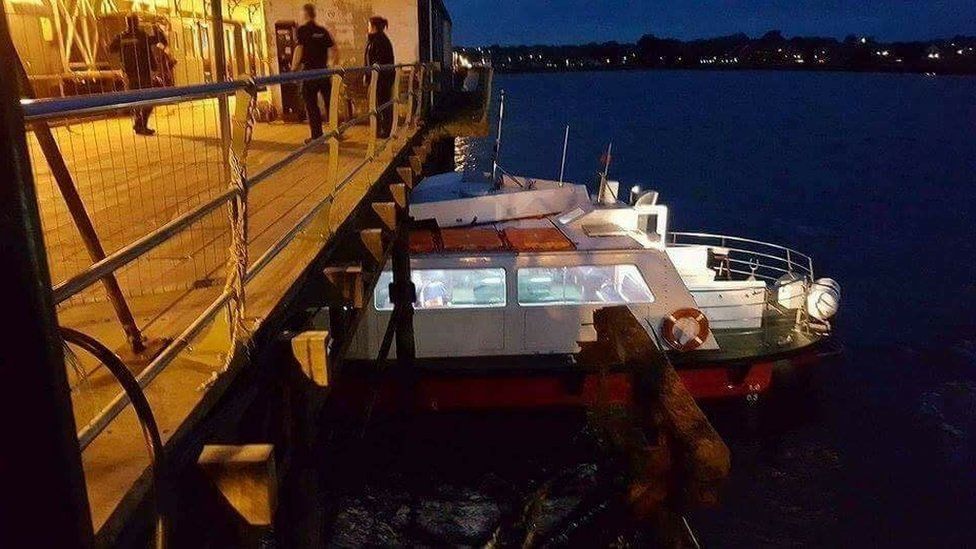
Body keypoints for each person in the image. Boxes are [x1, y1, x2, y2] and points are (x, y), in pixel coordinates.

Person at [109, 13, 167, 135]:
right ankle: (141, 124)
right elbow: (161, 40)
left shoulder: (121, 37)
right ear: (136, 22)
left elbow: (111, 48)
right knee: (149, 100)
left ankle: (139, 124)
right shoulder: (142, 36)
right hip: (144, 73)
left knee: (135, 100)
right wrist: (156, 26)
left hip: (129, 74)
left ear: (126, 23)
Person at [291, 3, 336, 142]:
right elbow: (334, 48)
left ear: (305, 14)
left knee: (311, 104)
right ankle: (335, 132)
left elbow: (299, 49)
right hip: (323, 71)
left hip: (310, 73)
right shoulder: (322, 30)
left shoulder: (302, 30)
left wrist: (293, 69)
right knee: (329, 102)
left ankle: (317, 135)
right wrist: (331, 64)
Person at [364, 16, 395, 138]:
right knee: (378, 104)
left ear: (374, 27)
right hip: (378, 78)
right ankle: (379, 129)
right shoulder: (374, 40)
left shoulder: (379, 41)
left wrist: (371, 76)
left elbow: (377, 61)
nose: (367, 28)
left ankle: (384, 130)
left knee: (382, 103)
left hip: (381, 79)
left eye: (369, 25)